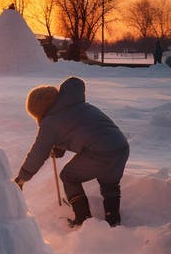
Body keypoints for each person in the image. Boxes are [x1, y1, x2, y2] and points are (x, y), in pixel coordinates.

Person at [14, 77, 129, 228]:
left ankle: (83, 220)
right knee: (109, 183)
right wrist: (59, 147)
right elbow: (76, 127)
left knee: (69, 176)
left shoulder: (50, 122)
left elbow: (39, 151)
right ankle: (113, 220)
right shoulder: (78, 106)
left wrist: (23, 177)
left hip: (100, 152)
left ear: (39, 111)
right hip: (120, 147)